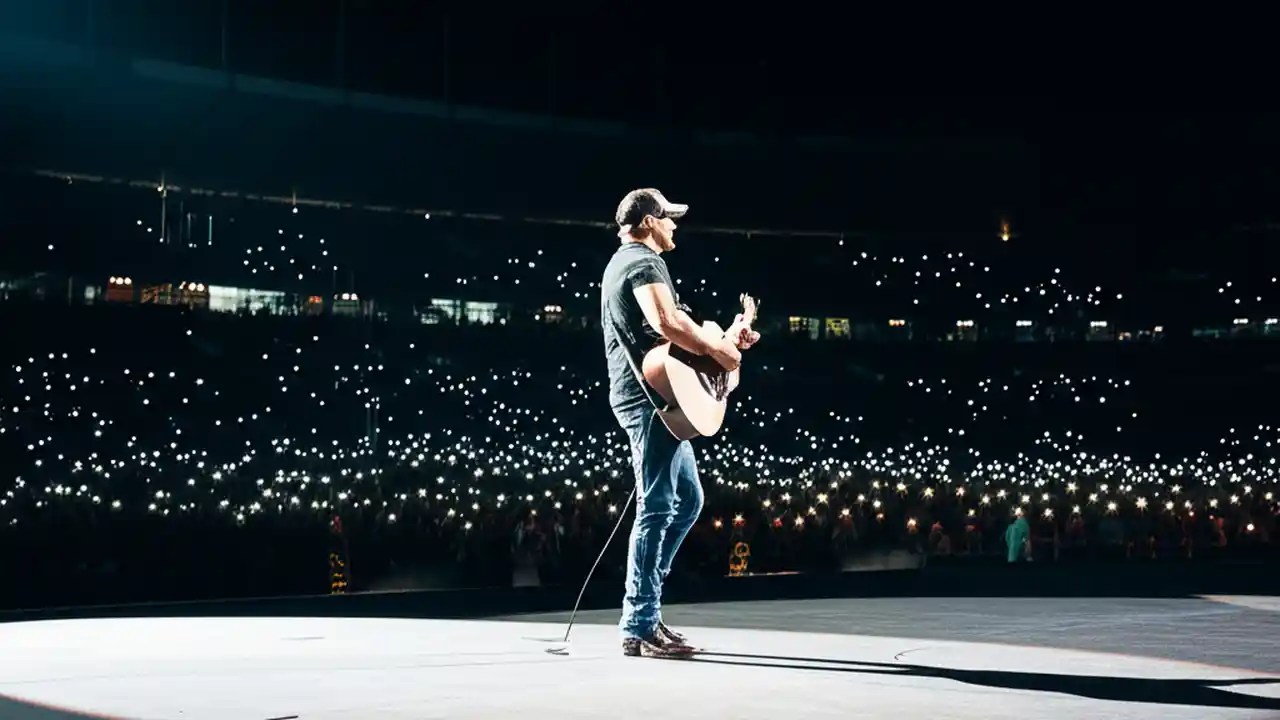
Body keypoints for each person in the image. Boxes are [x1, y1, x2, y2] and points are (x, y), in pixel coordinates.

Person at [599, 188, 760, 658]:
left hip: (659, 397)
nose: (674, 225)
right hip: (649, 400)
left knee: (688, 500)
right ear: (648, 221)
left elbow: (674, 345)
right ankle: (639, 623)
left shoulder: (625, 263)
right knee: (657, 506)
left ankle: (647, 610)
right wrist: (717, 349)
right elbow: (667, 323)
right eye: (668, 218)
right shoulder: (643, 263)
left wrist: (729, 340)